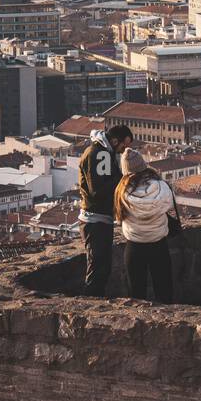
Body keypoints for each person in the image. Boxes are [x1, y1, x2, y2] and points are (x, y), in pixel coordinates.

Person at [113, 148, 179, 302]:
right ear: (143, 165)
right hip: (158, 244)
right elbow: (169, 207)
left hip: (134, 246)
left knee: (136, 295)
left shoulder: (121, 193)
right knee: (164, 291)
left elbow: (119, 219)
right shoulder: (161, 187)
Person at [78, 124, 133, 296]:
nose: (124, 150)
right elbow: (98, 190)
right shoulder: (101, 153)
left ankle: (94, 298)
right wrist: (123, 180)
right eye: (124, 145)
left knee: (101, 265)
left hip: (98, 218)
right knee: (98, 266)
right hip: (96, 219)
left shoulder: (101, 151)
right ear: (115, 140)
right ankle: (90, 301)